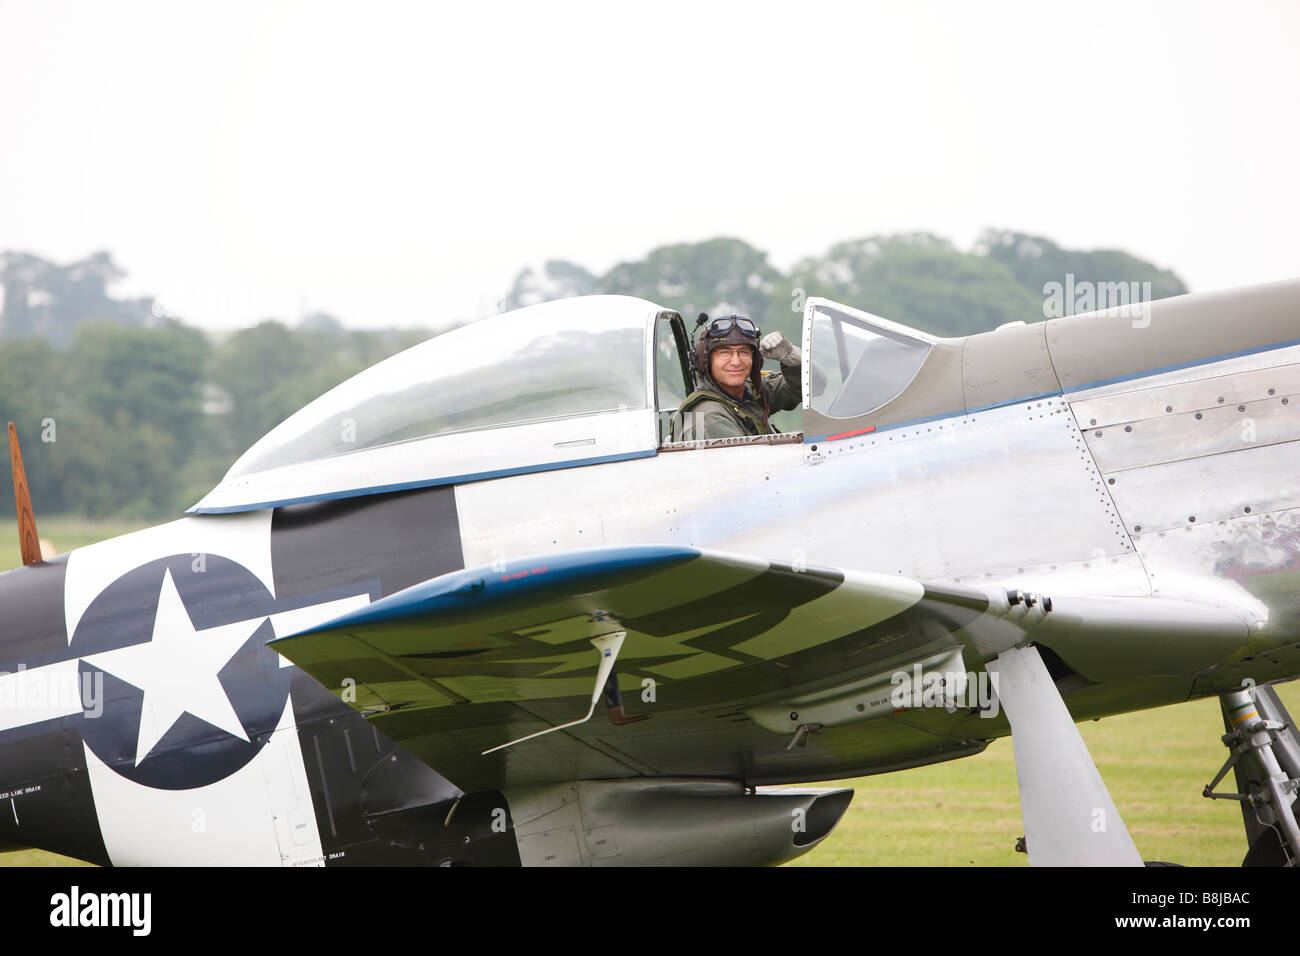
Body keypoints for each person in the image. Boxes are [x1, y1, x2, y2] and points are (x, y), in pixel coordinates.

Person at [669, 314, 804, 441]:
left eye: (744, 352)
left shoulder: (746, 393)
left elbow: (815, 387)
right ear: (706, 361)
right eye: (725, 353)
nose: (736, 362)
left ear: (755, 359)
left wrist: (791, 356)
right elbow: (751, 464)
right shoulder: (709, 417)